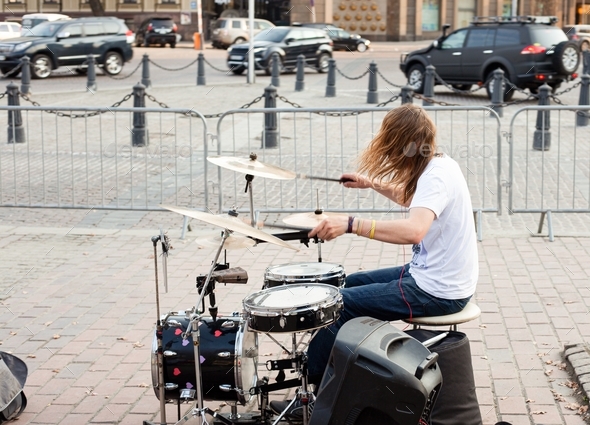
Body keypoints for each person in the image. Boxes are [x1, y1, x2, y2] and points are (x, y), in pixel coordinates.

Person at [270, 103, 479, 420]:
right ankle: (334, 375)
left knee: (336, 305)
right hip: (431, 277)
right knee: (347, 285)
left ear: (399, 145)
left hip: (438, 291)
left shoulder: (435, 177)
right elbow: (413, 200)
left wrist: (350, 224)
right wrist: (371, 183)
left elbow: (414, 230)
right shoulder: (439, 165)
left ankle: (314, 398)